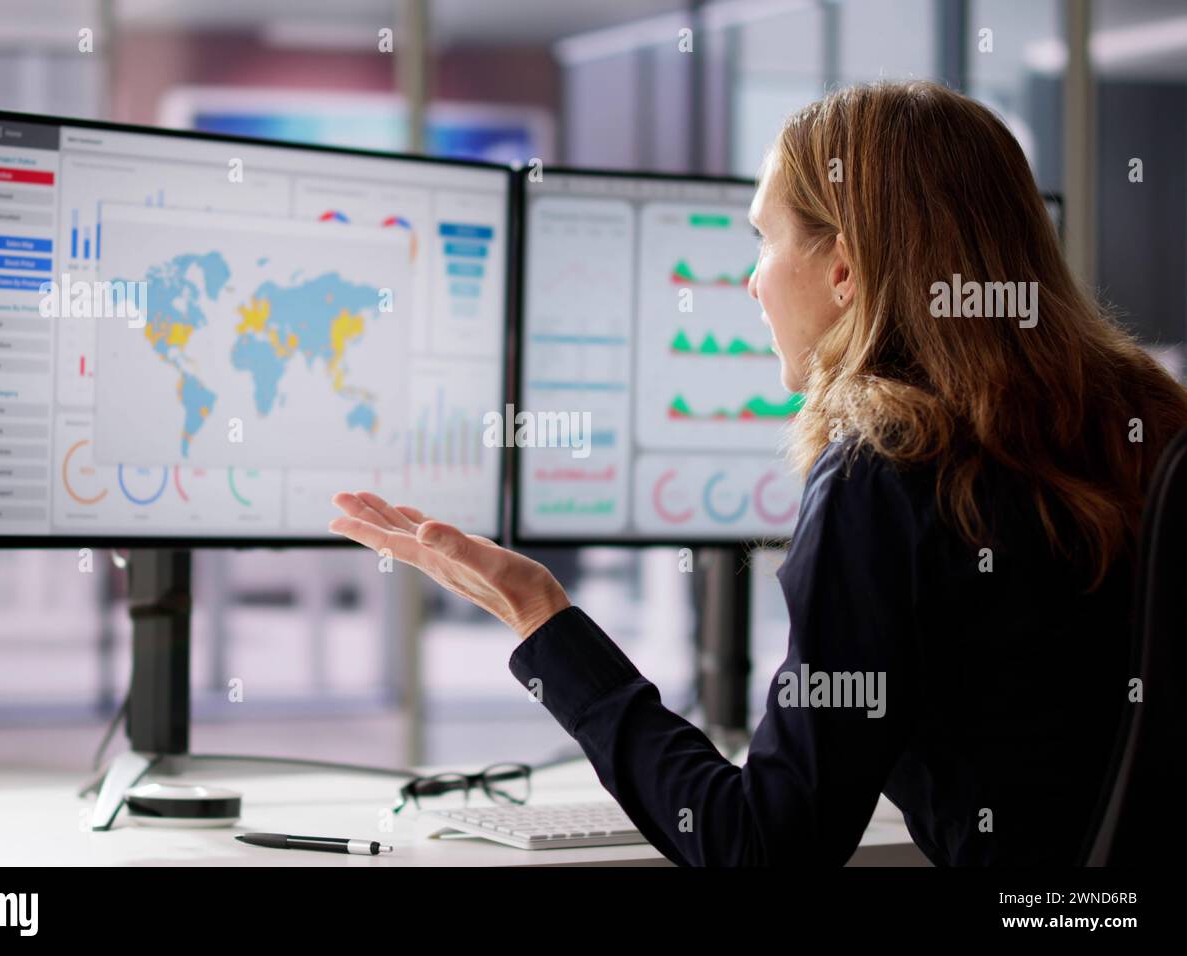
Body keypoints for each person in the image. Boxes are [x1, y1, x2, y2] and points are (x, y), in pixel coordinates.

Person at [328, 80, 1187, 866]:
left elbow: (761, 848)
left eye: (764, 241)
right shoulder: (1144, 423)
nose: (750, 282)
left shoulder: (888, 467)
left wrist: (541, 618)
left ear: (844, 269)